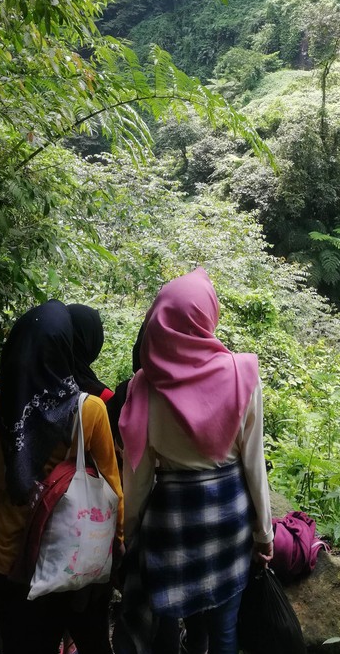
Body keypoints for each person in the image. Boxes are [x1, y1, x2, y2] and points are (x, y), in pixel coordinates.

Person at [114, 268, 273, 654]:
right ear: (207, 316)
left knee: (166, 623)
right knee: (224, 631)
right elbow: (254, 465)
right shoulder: (242, 374)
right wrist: (263, 534)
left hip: (170, 526)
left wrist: (128, 531)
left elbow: (136, 477)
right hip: (228, 521)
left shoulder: (143, 386)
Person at [0, 299, 124, 654]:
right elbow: (112, 488)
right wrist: (119, 542)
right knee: (92, 640)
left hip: (10, 556)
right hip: (72, 551)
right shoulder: (89, 409)